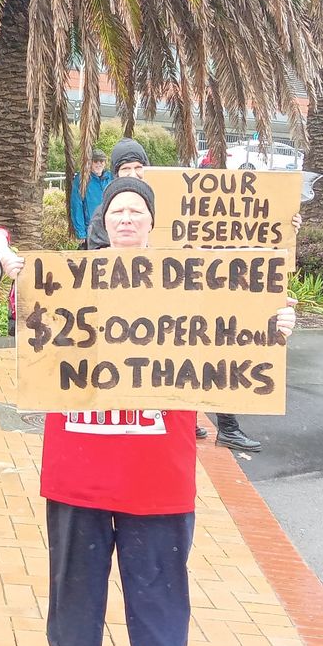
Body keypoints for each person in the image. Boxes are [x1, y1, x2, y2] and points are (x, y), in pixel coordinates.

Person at [38, 177, 297, 646]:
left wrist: (275, 324)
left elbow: (236, 331)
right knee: (74, 570)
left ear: (152, 221)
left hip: (157, 462)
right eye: (117, 210)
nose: (126, 219)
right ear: (102, 220)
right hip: (81, 455)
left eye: (136, 210)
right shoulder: (67, 280)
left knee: (159, 569)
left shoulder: (189, 283)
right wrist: (17, 281)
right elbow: (31, 328)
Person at [87, 138, 263, 450]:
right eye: (125, 168)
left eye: (138, 167)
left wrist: (284, 224)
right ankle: (179, 415)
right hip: (132, 313)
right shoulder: (109, 213)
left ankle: (227, 425)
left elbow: (226, 238)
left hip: (178, 303)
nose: (133, 174)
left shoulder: (171, 204)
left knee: (209, 354)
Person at [67, 148, 111, 248]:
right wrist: (81, 233)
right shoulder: (81, 180)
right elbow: (77, 206)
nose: (99, 164)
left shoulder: (110, 178)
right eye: (95, 161)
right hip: (91, 230)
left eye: (102, 161)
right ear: (90, 162)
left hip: (109, 229)